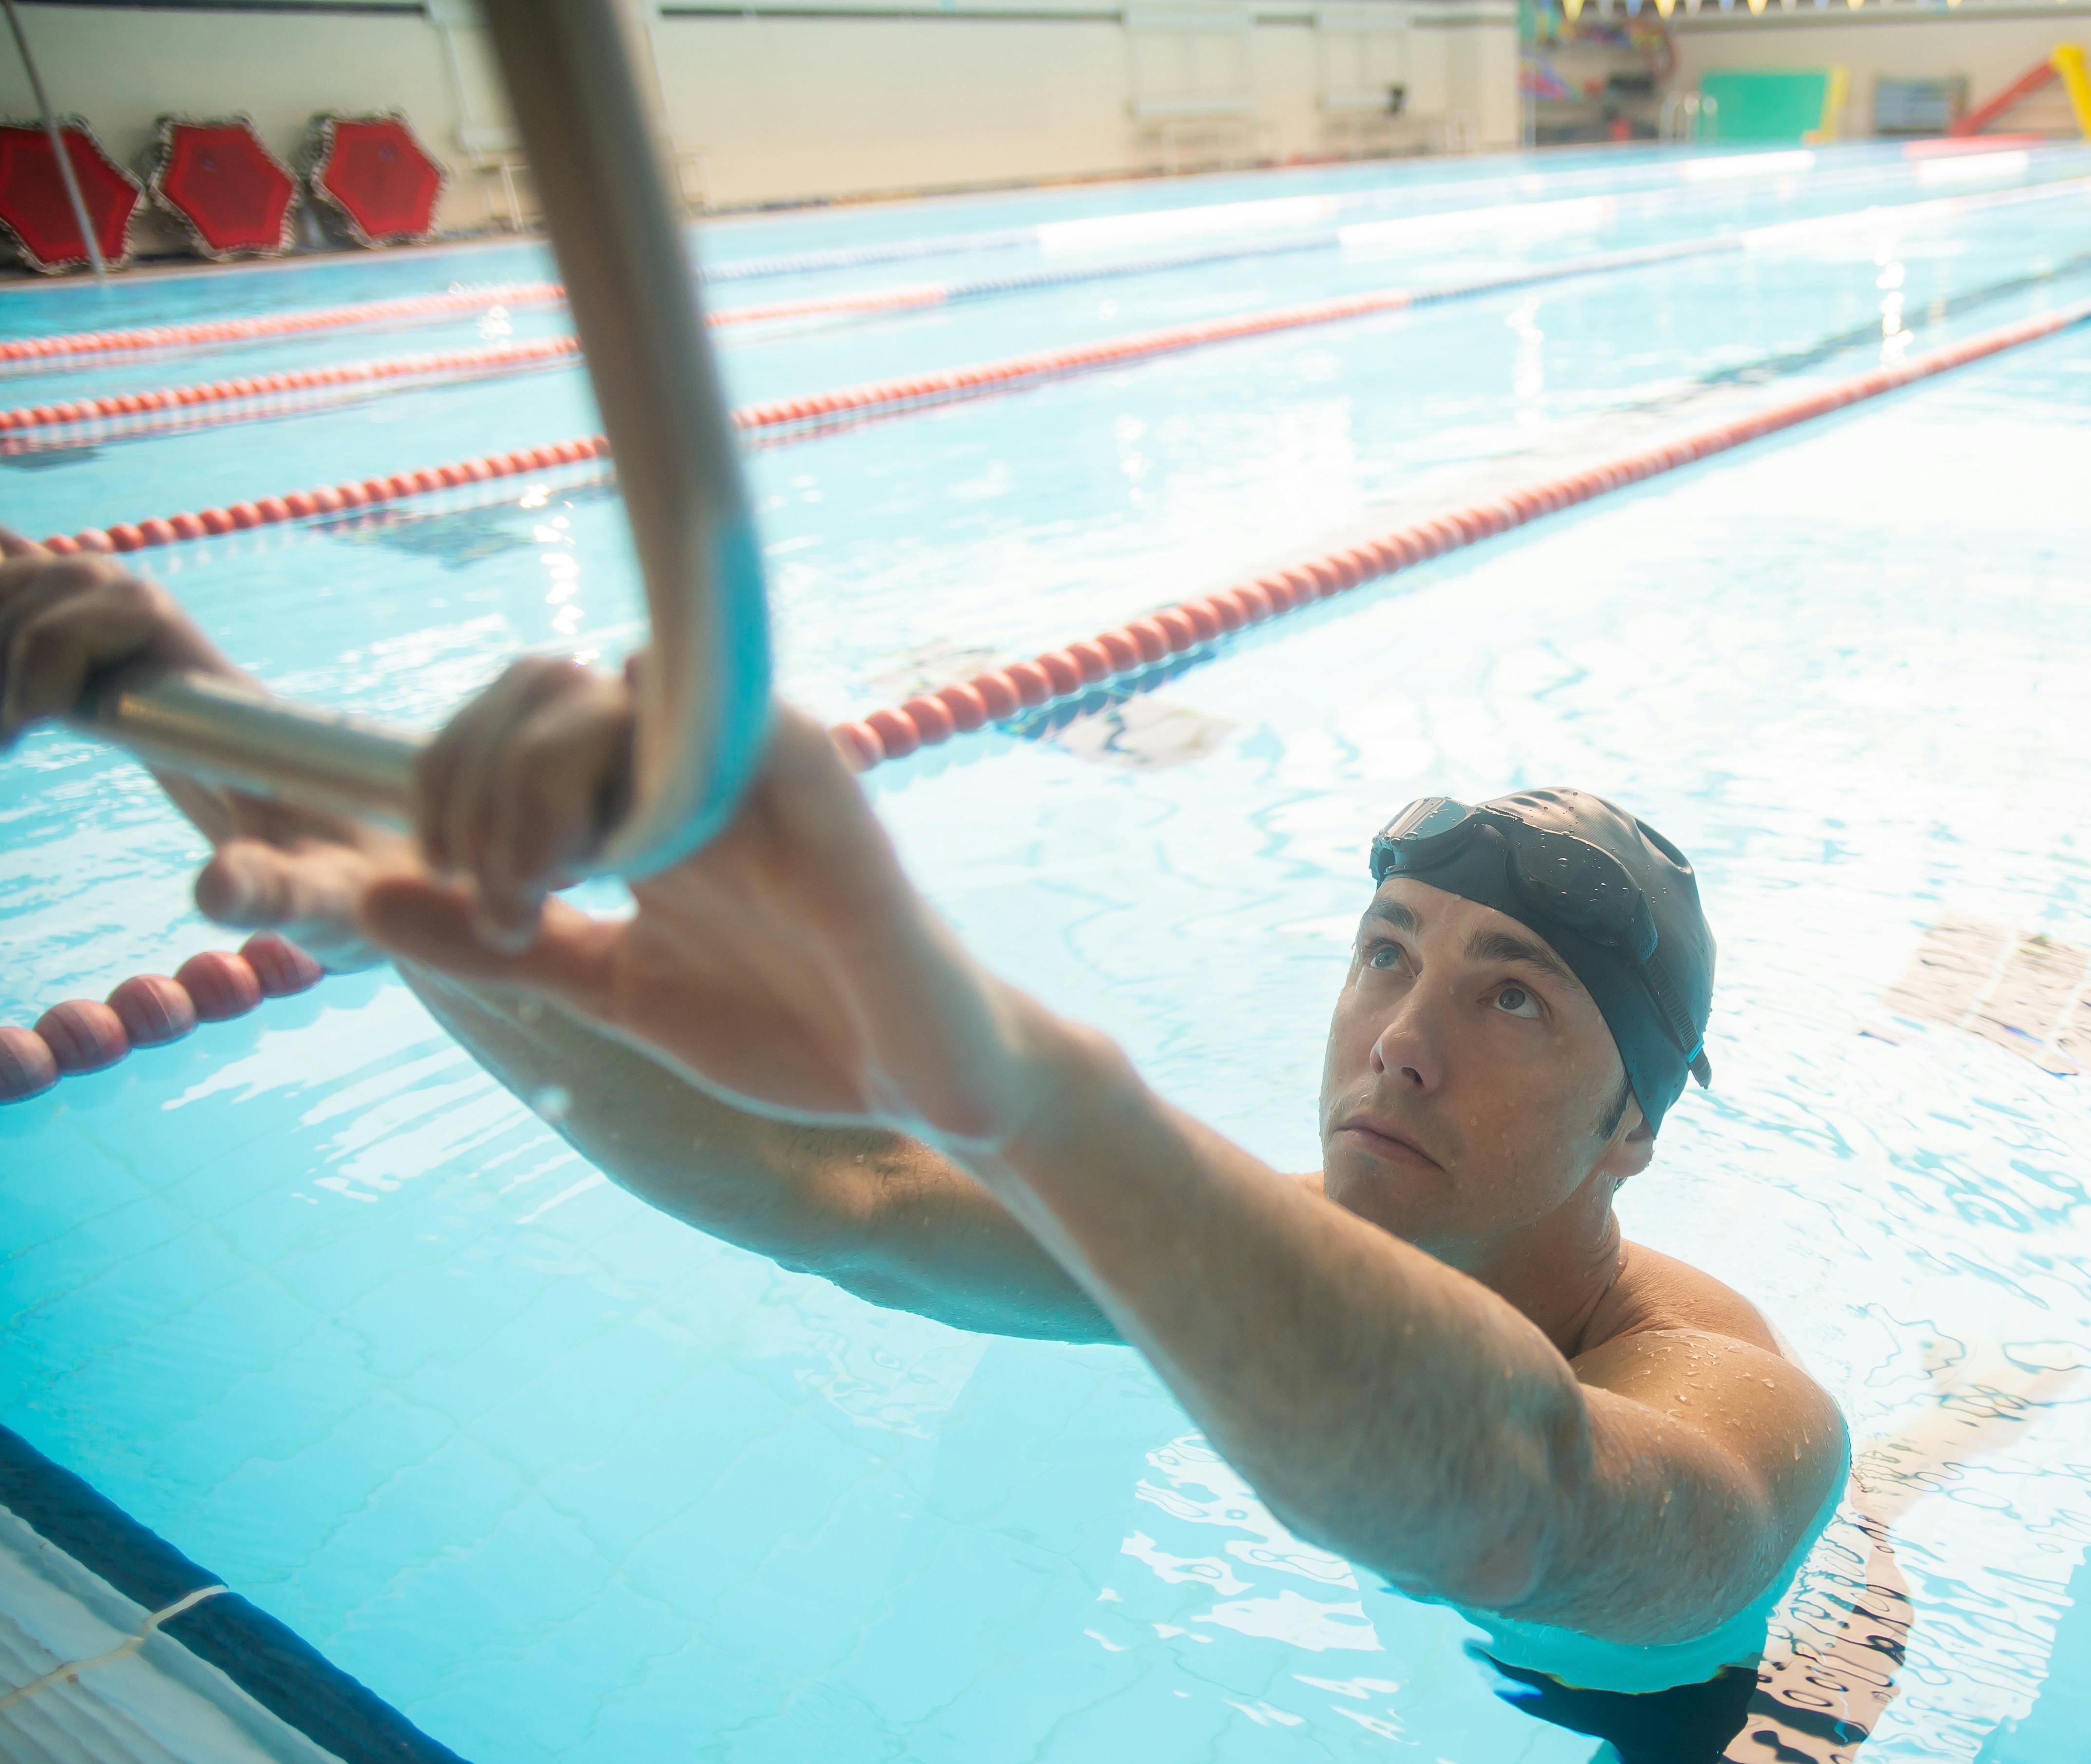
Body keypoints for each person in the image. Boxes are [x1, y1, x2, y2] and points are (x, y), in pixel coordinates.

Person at [0, 535, 1844, 1672]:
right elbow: (827, 1188)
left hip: (1690, 1736)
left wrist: (1000, 1078)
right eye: (1384, 951)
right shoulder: (1258, 1238)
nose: (1399, 1041)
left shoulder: (1738, 1399)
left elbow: (1523, 1513)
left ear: (1631, 1133)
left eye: (1508, 996)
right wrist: (187, 719)